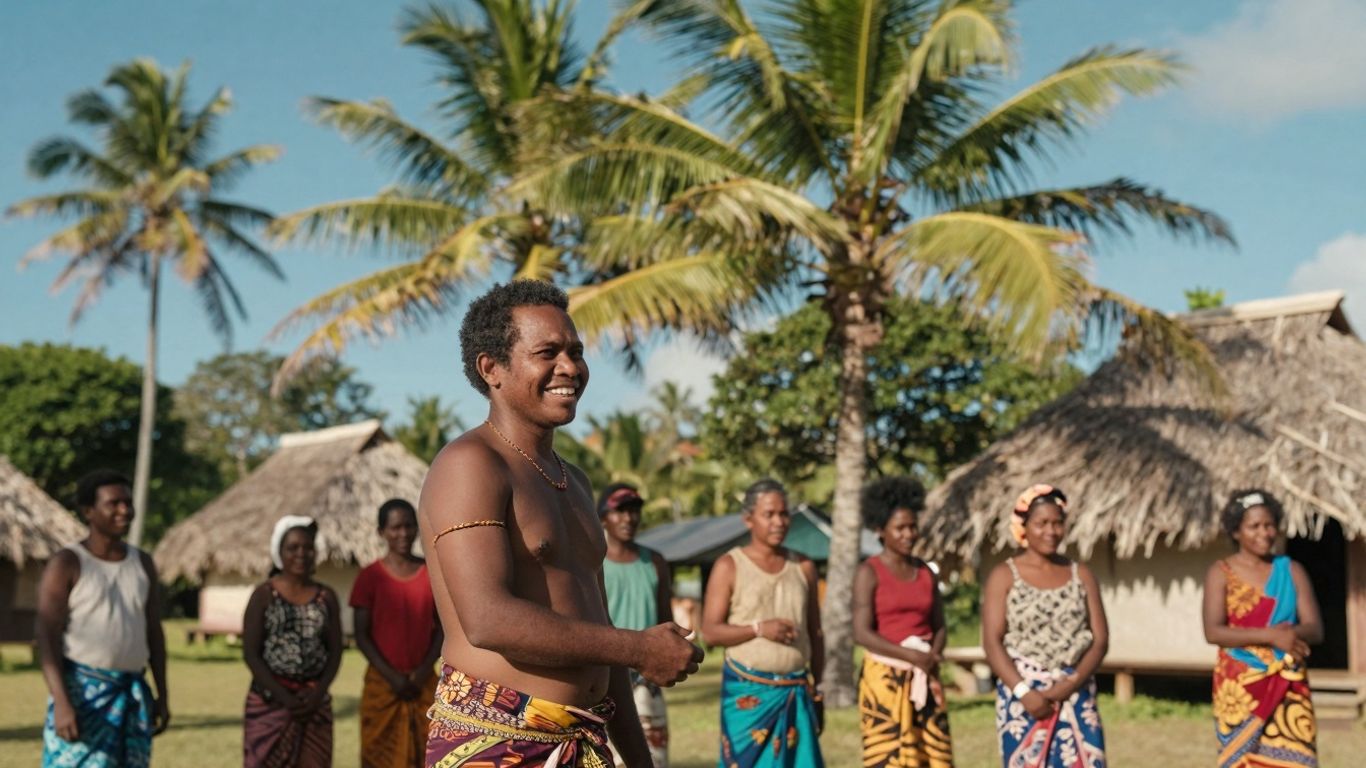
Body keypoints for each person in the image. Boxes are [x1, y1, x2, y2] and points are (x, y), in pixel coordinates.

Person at [418, 280, 703, 767]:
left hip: (582, 739)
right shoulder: (470, 465)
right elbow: (487, 619)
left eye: (576, 352)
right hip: (496, 743)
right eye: (547, 353)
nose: (570, 367)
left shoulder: (576, 482)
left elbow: (599, 631)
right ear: (491, 369)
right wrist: (638, 649)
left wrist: (640, 761)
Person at [36, 469, 169, 767]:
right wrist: (62, 701)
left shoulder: (142, 563)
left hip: (132, 692)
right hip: (82, 695)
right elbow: (47, 635)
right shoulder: (68, 563)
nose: (124, 510)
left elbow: (153, 632)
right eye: (114, 503)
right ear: (88, 512)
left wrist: (162, 694)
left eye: (128, 502)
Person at [981, 484, 1108, 768]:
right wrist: (1024, 693)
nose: (1051, 531)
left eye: (1057, 523)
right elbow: (991, 641)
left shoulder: (1081, 574)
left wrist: (1071, 683)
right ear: (1024, 527)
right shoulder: (1004, 575)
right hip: (1024, 697)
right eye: (1041, 523)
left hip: (1075, 692)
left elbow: (1100, 640)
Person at [701, 479, 824, 768]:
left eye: (784, 514)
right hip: (748, 695)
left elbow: (815, 632)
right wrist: (759, 629)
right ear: (748, 519)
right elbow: (710, 632)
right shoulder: (729, 565)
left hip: (796, 691)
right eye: (769, 514)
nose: (779, 522)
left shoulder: (803, 566)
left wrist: (819, 687)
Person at [1202, 489, 1321, 767]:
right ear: (1236, 531)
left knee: (1297, 759)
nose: (1264, 533)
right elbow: (1213, 631)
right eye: (1254, 526)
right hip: (1239, 688)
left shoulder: (1292, 570)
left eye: (1269, 525)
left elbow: (1315, 628)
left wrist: (1289, 636)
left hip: (1288, 682)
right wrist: (1272, 636)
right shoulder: (1221, 573)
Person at [852, 476, 953, 768]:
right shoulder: (868, 572)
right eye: (900, 528)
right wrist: (909, 655)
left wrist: (932, 654)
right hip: (884, 681)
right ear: (880, 530)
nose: (909, 534)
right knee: (888, 758)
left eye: (912, 527)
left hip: (925, 673)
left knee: (934, 756)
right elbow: (861, 632)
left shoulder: (926, 572)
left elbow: (939, 625)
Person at [242, 516, 343, 768]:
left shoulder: (326, 597)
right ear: (280, 553)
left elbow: (335, 652)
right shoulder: (263, 595)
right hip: (269, 704)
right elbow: (251, 654)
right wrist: (284, 697)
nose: (301, 554)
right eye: (293, 548)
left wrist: (317, 693)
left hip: (314, 703)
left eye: (307, 547)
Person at [352, 498, 443, 768]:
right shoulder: (369, 577)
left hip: (423, 683)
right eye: (395, 528)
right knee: (378, 756)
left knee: (428, 754)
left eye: (409, 526)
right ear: (381, 532)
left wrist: (422, 672)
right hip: (382, 686)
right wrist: (393, 677)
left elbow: (443, 629)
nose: (403, 533)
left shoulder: (432, 573)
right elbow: (361, 635)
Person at [599, 482, 674, 768]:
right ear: (603, 518)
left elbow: (665, 621)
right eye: (620, 511)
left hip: (646, 678)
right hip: (606, 674)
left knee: (652, 755)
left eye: (634, 511)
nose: (628, 518)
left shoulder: (653, 562)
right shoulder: (594, 562)